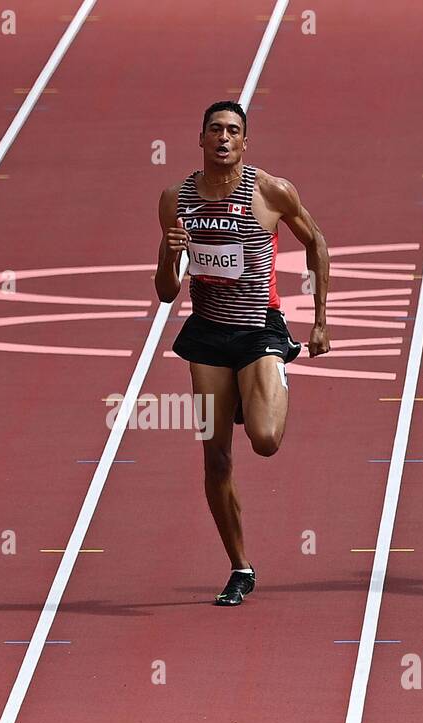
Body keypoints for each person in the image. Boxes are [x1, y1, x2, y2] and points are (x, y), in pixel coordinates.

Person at [156, 101, 330, 606]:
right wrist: (171, 252)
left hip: (258, 330)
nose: (224, 138)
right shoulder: (176, 199)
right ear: (201, 138)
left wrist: (320, 318)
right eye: (215, 130)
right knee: (215, 458)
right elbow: (166, 292)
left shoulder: (270, 190)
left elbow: (316, 241)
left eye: (233, 131)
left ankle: (272, 374)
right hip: (207, 335)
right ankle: (240, 566)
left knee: (267, 439)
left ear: (245, 142)